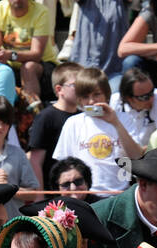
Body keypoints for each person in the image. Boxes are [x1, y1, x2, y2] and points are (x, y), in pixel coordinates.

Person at [51, 66, 146, 196]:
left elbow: (136, 156)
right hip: (86, 194)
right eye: (85, 97)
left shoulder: (124, 119)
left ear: (106, 95)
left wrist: (115, 122)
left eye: (97, 94)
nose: (91, 101)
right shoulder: (73, 123)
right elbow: (64, 165)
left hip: (119, 192)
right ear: (79, 99)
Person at [0, 0, 56, 103]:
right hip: (9, 64)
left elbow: (37, 55)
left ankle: (31, 110)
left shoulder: (41, 12)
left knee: (28, 67)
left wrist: (11, 55)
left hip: (43, 65)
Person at [26, 61, 79, 189]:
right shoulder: (46, 117)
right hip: (53, 190)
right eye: (75, 85)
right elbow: (35, 160)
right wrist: (39, 195)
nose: (82, 89)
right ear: (59, 89)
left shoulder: (82, 116)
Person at [109, 67, 157, 148]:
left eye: (152, 92)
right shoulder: (114, 102)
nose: (152, 98)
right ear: (128, 98)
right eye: (145, 97)